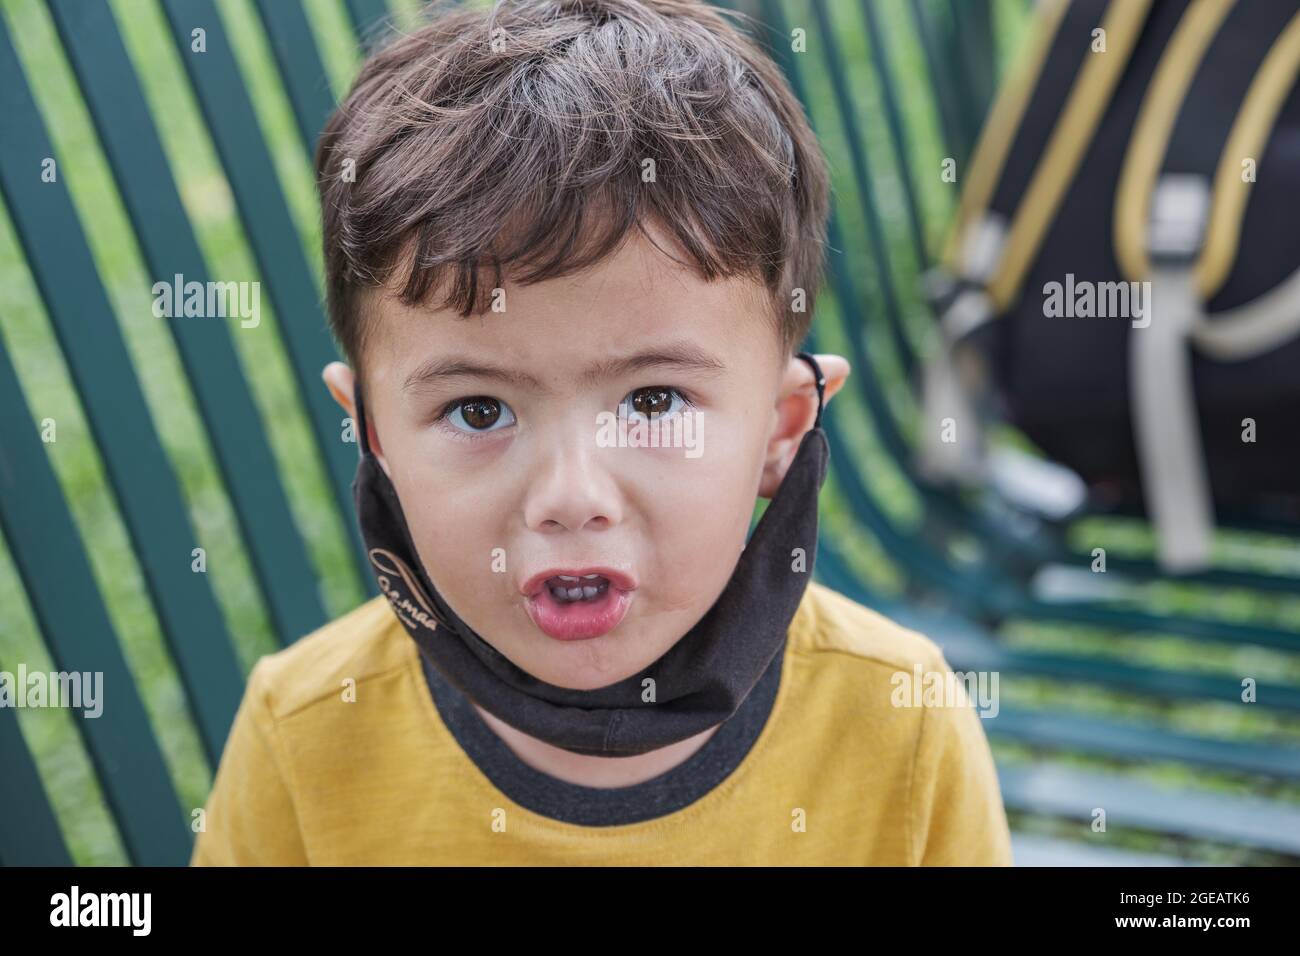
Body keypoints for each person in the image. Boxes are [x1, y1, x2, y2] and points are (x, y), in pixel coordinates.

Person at [191, 0, 1012, 866]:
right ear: (374, 437)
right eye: (479, 410)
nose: (571, 497)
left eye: (654, 402)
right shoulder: (308, 734)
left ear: (780, 428)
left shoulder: (897, 721)